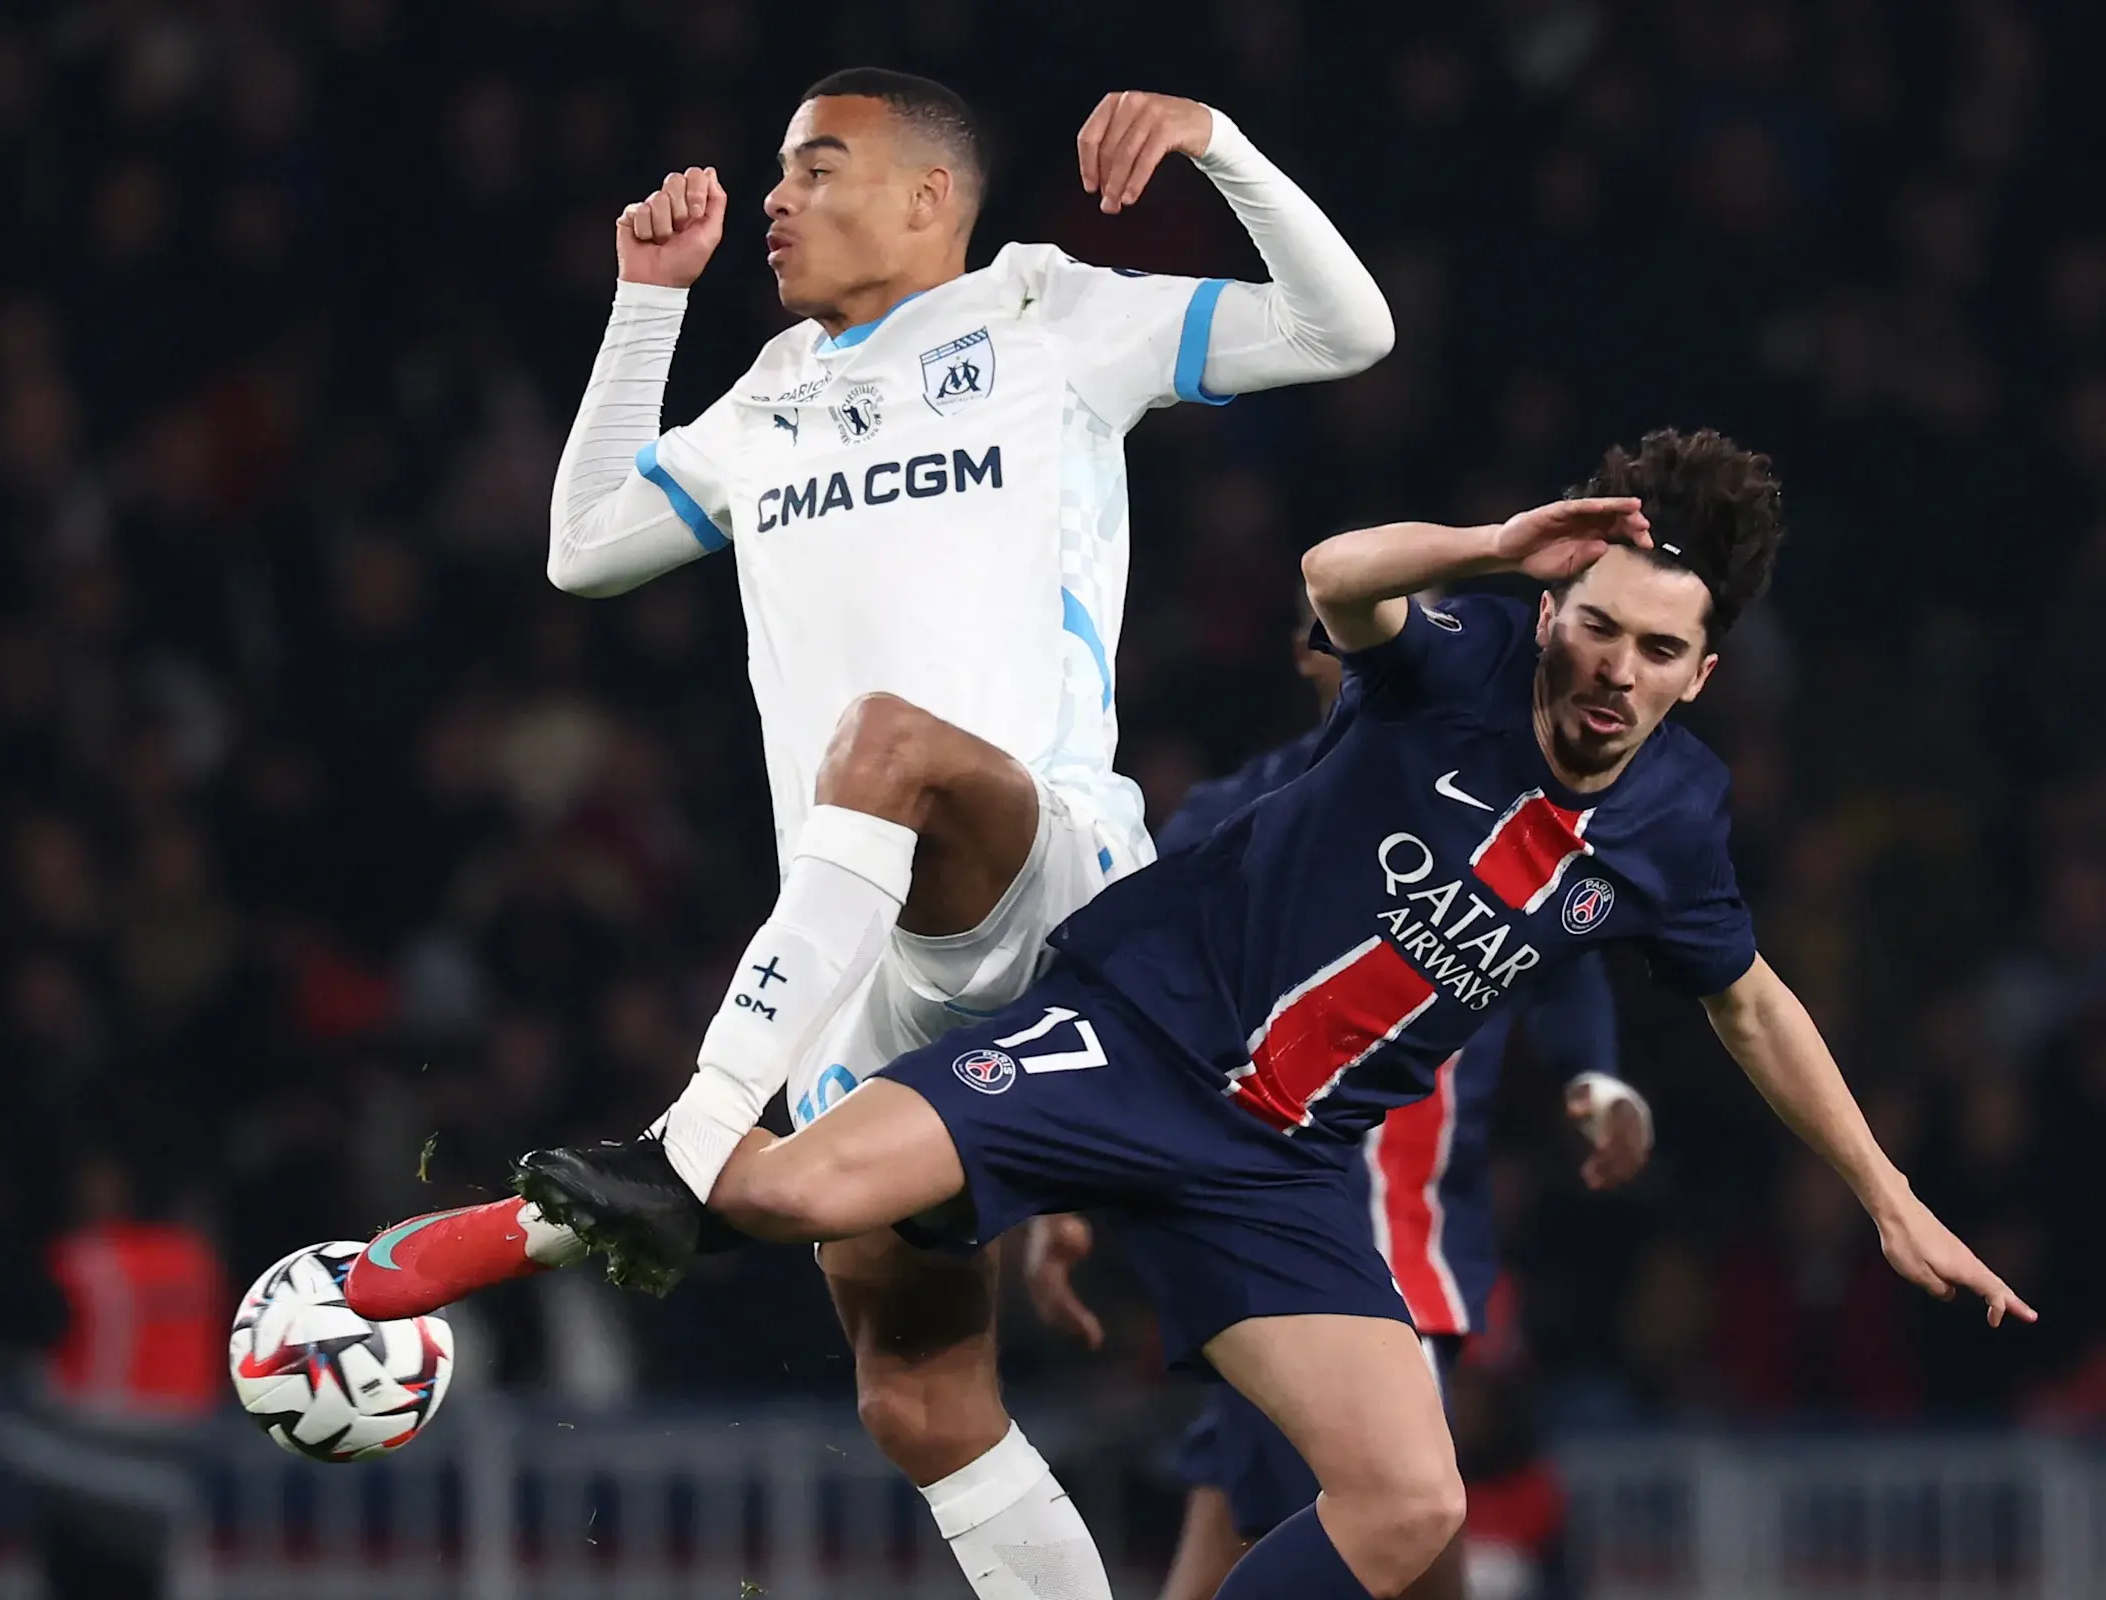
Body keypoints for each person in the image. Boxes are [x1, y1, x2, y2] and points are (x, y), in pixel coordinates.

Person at [526, 431, 2035, 1599]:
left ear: (1699, 677)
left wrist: (1888, 1196)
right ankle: (532, 1223)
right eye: (1594, 626)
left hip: (1281, 1168)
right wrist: (1491, 545)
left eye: (1655, 652)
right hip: (1132, 1043)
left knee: (1415, 1503)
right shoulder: (1464, 661)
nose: (1612, 670)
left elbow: (1751, 1003)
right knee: (788, 1193)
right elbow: (1337, 577)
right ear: (1552, 609)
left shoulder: (1678, 822)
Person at [348, 67, 1394, 1599]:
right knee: (918, 1399)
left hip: (1048, 877)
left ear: (927, 197)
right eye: (781, 172)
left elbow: (1346, 329)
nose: (775, 198)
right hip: (854, 958)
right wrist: (648, 304)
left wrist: (1220, 147)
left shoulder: (1047, 315)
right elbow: (583, 549)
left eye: (816, 167)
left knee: (887, 741)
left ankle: (687, 1146)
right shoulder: (770, 396)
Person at [1021, 632, 1654, 1600]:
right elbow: (1125, 993)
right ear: (1317, 647)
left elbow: (1568, 963)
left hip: (1405, 1244)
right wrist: (1060, 1192)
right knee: (1402, 1529)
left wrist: (1595, 1078)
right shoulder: (1235, 813)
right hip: (1288, 1238)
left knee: (1305, 1537)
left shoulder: (1515, 806)